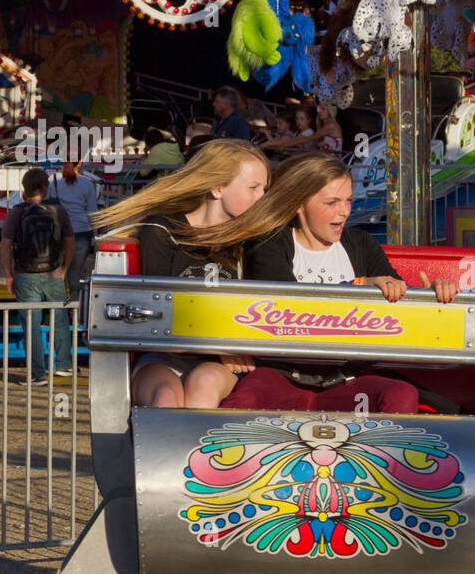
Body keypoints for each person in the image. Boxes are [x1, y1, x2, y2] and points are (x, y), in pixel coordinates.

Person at [186, 153, 456, 413]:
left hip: (346, 378)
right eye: (331, 203)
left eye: (348, 201)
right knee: (245, 399)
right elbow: (287, 308)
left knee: (400, 394)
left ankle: (385, 459)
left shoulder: (361, 244)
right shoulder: (270, 243)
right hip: (282, 375)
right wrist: (359, 286)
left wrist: (431, 295)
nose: (345, 212)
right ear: (299, 204)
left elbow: (396, 299)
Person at [95, 140, 270, 408]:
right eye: (253, 188)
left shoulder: (252, 241)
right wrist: (216, 346)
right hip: (165, 354)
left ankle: (201, 451)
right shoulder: (162, 231)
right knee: (165, 398)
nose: (262, 197)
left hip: (217, 363)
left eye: (265, 189)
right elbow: (154, 316)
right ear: (217, 188)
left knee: (203, 387)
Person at [1, 166, 74, 385]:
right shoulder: (57, 210)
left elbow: (5, 246)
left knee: (31, 325)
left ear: (24, 190)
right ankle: (64, 366)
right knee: (59, 320)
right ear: (45, 187)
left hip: (26, 274)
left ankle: (37, 374)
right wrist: (65, 269)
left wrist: (9, 276)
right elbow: (70, 242)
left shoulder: (17, 211)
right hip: (54, 273)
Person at [48, 158, 102, 302]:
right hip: (81, 233)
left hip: (58, 233)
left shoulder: (52, 180)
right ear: (79, 162)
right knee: (75, 275)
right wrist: (96, 236)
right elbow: (92, 212)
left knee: (57, 274)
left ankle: (57, 313)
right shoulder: (87, 183)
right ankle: (76, 313)